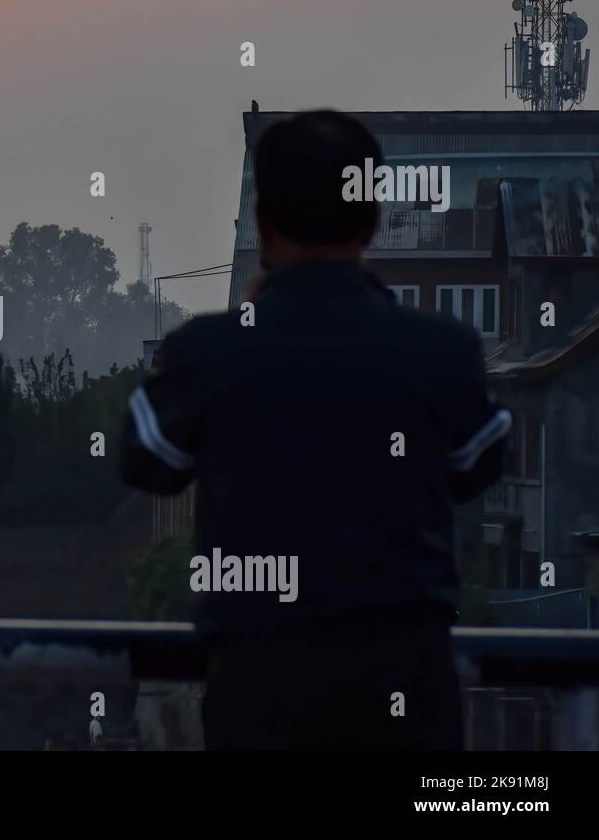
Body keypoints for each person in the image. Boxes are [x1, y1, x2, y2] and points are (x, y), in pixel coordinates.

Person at [120, 110, 509, 750]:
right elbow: (476, 470)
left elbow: (146, 462)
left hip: (259, 694)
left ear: (265, 224)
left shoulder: (210, 353)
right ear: (373, 220)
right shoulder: (441, 351)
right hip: (407, 695)